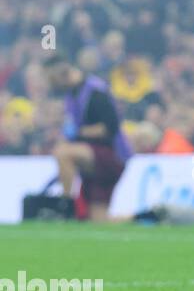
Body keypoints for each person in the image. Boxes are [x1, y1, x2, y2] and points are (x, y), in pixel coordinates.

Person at [43, 54, 133, 221]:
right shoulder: (71, 95)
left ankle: (66, 207)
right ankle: (148, 217)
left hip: (111, 157)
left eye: (51, 79)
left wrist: (77, 134)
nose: (50, 84)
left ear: (62, 72)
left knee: (62, 153)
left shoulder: (95, 90)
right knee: (97, 220)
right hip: (95, 162)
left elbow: (109, 128)